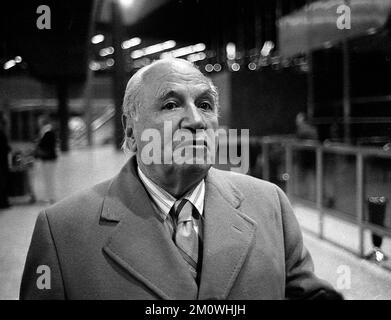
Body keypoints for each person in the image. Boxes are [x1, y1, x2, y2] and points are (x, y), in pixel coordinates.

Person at [20, 58, 342, 300]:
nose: (196, 120)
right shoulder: (62, 231)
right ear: (131, 132)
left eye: (205, 105)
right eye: (171, 105)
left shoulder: (270, 203)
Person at [35, 115, 57, 203]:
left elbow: (46, 146)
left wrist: (39, 146)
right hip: (47, 159)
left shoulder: (48, 132)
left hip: (49, 159)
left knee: (49, 178)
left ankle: (51, 196)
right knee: (47, 178)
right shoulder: (45, 132)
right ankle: (49, 195)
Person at [0, 112, 11, 209]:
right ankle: (3, 202)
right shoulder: (1, 134)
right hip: (2, 163)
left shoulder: (2, 133)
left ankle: (4, 201)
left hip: (3, 163)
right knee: (3, 182)